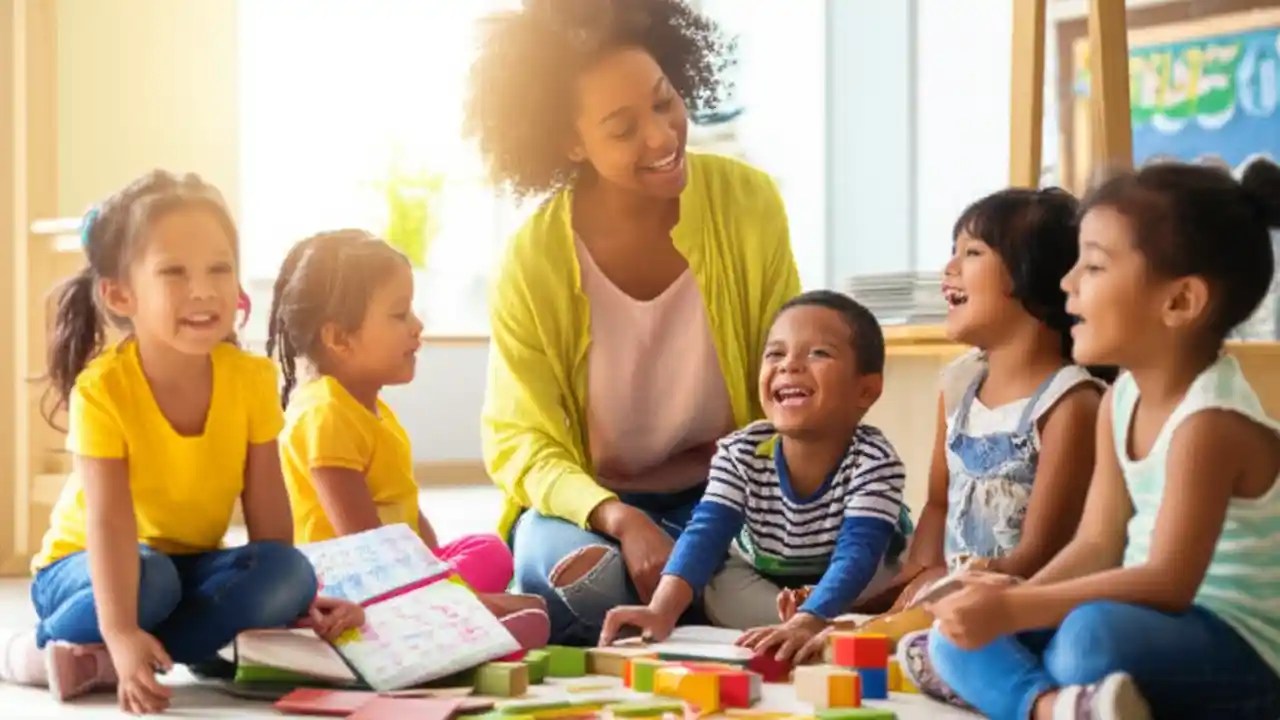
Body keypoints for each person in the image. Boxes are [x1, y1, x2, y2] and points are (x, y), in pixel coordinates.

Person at [466, 0, 801, 645]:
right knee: (576, 576)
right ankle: (699, 595)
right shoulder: (533, 257)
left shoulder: (748, 203)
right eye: (622, 129)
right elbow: (521, 440)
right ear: (571, 142)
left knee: (857, 544)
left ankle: (691, 588)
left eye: (663, 100)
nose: (661, 136)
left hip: (733, 495)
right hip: (597, 511)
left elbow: (788, 371)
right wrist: (617, 517)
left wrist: (742, 507)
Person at [927, 159, 1280, 720]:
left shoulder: (1210, 422)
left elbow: (1169, 583)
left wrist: (1017, 608)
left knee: (1089, 636)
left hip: (1237, 653)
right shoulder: (1120, 401)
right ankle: (1056, 707)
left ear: (1180, 302)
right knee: (945, 638)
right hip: (1144, 625)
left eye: (1092, 266)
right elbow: (1095, 544)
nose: (1066, 283)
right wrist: (1007, 606)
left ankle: (1041, 694)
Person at [0, 172, 362, 715]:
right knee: (152, 583)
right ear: (121, 294)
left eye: (220, 269)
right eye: (174, 272)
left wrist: (294, 602)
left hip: (186, 564)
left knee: (287, 573)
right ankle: (41, 646)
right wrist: (120, 629)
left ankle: (117, 655)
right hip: (89, 567)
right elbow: (110, 524)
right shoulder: (103, 390)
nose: (203, 289)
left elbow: (266, 502)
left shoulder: (250, 378)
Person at [781, 190, 1106, 681]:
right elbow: (936, 510)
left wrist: (909, 609)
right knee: (916, 600)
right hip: (951, 587)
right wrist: (876, 601)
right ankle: (891, 639)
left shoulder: (1071, 402)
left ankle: (902, 647)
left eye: (971, 252)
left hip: (1020, 598)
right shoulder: (958, 386)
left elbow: (1037, 556)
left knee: (930, 622)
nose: (948, 268)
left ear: (1032, 277)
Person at [267, 229, 550, 649]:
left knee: (489, 550)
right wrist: (440, 584)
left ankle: (459, 608)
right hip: (351, 583)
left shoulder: (374, 410)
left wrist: (438, 569)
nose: (417, 326)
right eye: (400, 314)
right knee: (514, 598)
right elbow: (365, 546)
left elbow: (409, 514)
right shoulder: (325, 413)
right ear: (339, 337)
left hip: (397, 568)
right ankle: (465, 617)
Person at [599, 291, 910, 661]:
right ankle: (808, 622)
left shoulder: (874, 460)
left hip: (861, 572)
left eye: (819, 353)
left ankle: (822, 618)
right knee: (722, 585)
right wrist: (662, 609)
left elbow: (859, 553)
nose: (789, 365)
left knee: (883, 582)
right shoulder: (740, 450)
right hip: (763, 571)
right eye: (775, 353)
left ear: (866, 390)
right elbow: (707, 533)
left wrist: (813, 613)